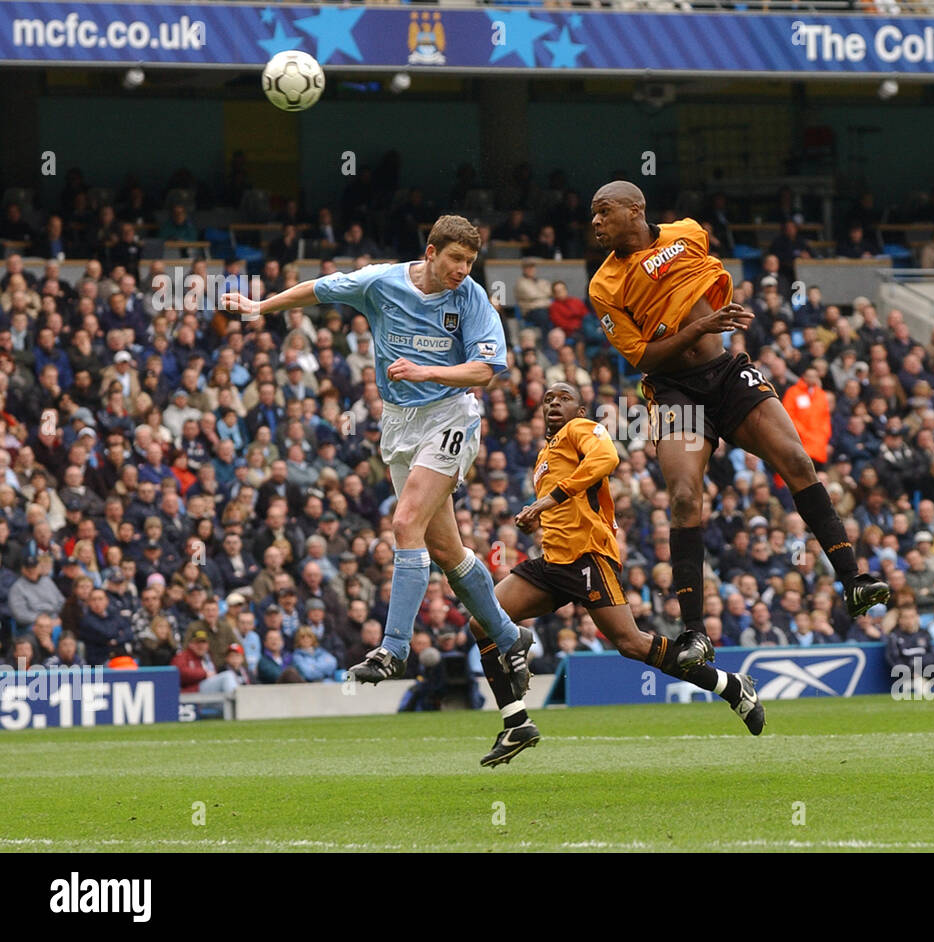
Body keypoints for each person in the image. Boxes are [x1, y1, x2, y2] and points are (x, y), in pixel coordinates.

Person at [586, 181, 888, 673]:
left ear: (634, 209)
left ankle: (853, 580)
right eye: (592, 216)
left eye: (603, 212)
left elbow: (707, 278)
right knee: (684, 496)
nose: (595, 223)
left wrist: (709, 320)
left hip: (726, 373)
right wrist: (698, 327)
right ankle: (695, 632)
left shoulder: (686, 233)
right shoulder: (604, 285)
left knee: (796, 460)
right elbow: (641, 355)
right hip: (673, 388)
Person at [222, 215, 532, 693]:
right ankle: (511, 637)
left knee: (405, 522)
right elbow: (319, 289)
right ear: (431, 252)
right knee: (448, 550)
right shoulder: (380, 282)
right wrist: (261, 306)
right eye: (455, 259)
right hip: (398, 422)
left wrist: (427, 372)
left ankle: (394, 648)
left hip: (449, 417)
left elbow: (486, 370)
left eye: (470, 262)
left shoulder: (470, 299)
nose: (462, 270)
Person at [470, 383, 765, 767]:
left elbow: (607, 457)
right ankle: (516, 721)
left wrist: (545, 501)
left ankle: (728, 685)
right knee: (483, 622)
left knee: (631, 644)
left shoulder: (582, 429)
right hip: (551, 562)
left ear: (580, 408)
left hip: (588, 558)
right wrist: (536, 518)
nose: (553, 403)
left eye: (563, 398)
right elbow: (568, 504)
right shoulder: (543, 454)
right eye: (547, 399)